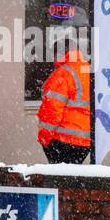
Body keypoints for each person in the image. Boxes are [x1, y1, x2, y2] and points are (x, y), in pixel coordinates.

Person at [36, 22, 92, 164]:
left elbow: (52, 110)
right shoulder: (89, 71)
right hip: (85, 142)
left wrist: (44, 137)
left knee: (59, 180)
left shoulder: (63, 74)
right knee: (72, 181)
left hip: (63, 139)